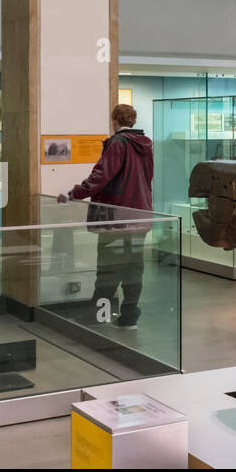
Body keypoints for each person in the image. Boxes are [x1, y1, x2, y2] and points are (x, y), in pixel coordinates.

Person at [57, 104, 154, 328]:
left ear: (114, 121)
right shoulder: (145, 145)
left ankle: (98, 314)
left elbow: (100, 177)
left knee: (108, 268)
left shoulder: (117, 143)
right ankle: (130, 315)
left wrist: (74, 194)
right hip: (139, 216)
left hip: (117, 218)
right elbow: (147, 179)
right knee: (133, 267)